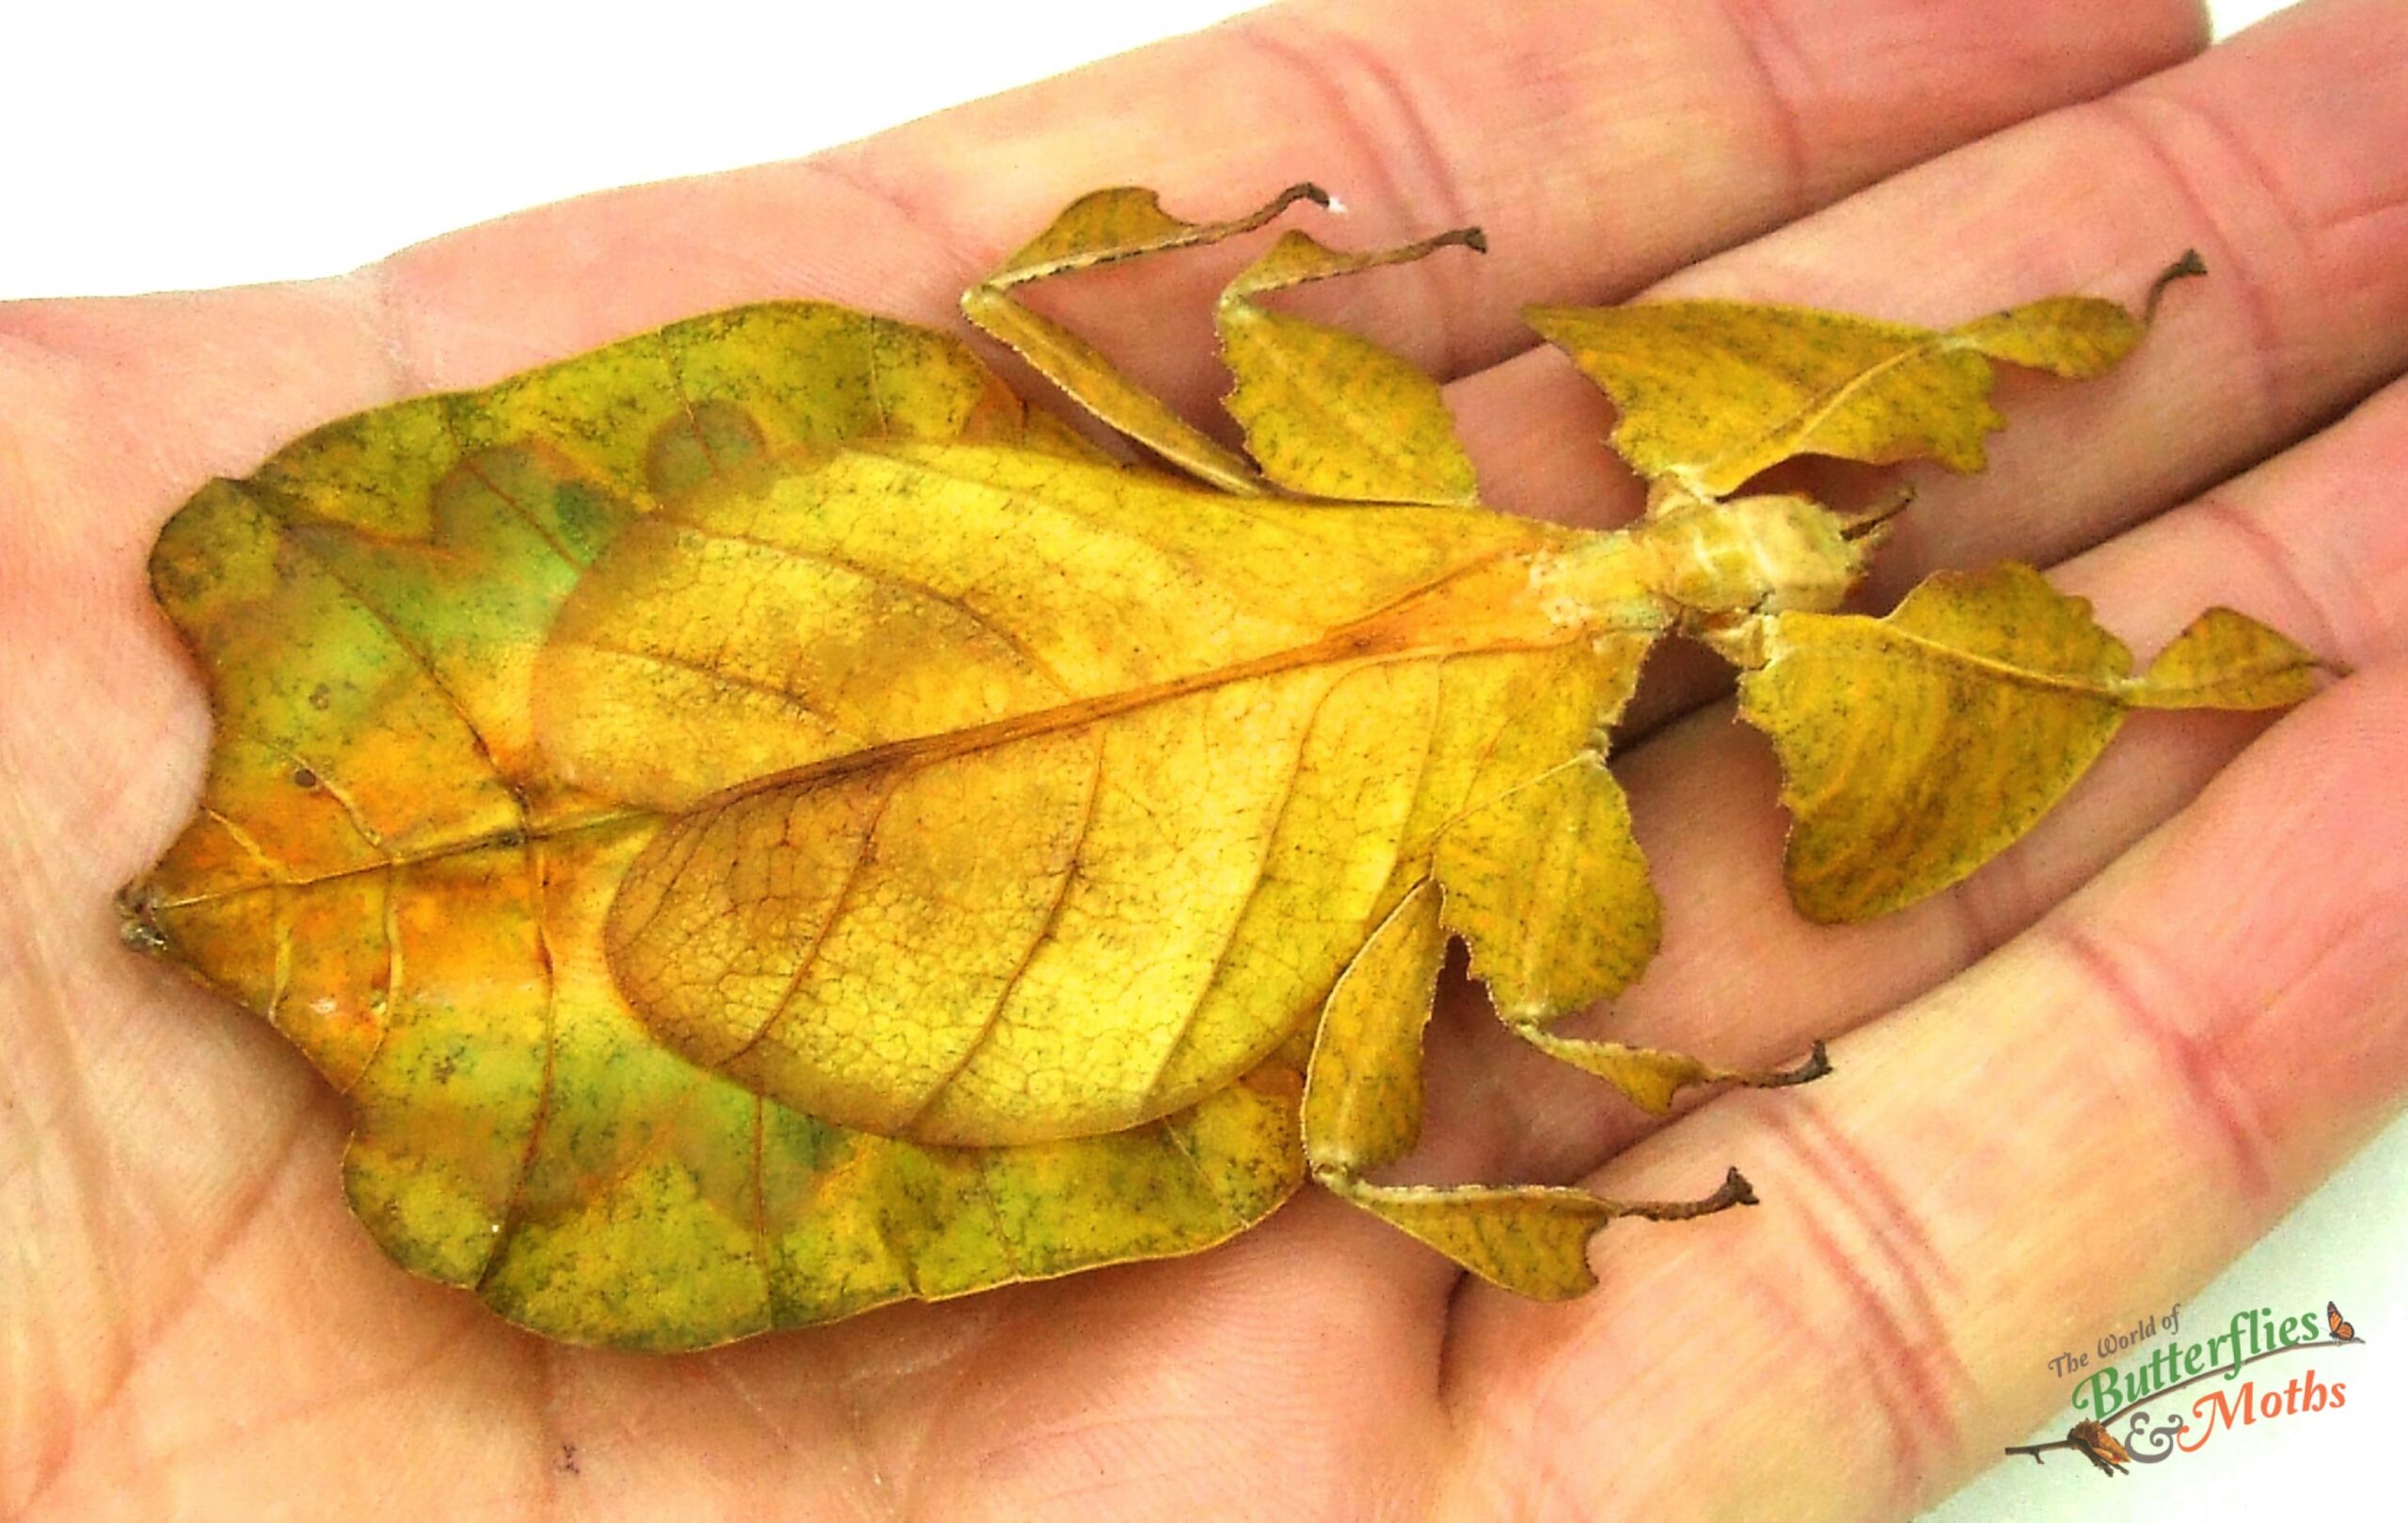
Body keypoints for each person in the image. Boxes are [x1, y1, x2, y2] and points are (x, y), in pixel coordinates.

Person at [4, 0, 2402, 1516]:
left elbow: (1129, 304)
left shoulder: (1427, 615)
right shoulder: (1534, 832)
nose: (1715, 567)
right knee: (1375, 1111)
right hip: (503, 748)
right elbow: (1523, 1019)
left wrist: (1247, 250)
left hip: (624, 769)